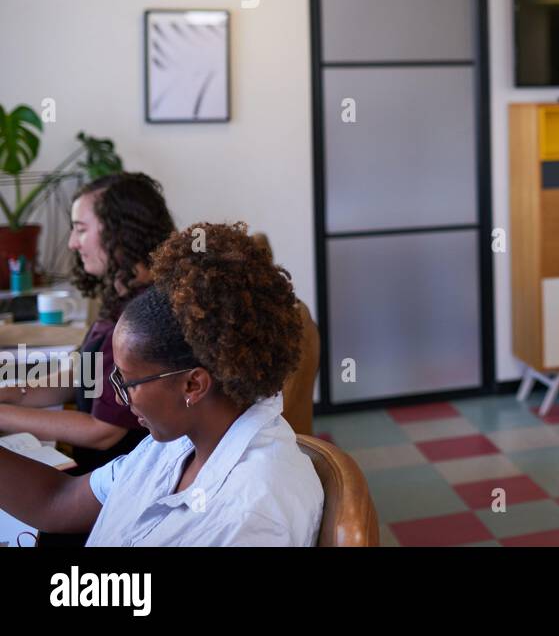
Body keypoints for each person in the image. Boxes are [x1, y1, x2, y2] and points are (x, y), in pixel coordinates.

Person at [0, 222, 323, 546]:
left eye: (128, 382)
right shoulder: (182, 443)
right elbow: (58, 500)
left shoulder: (249, 517)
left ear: (193, 385)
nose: (118, 394)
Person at [0, 172, 173, 470]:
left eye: (81, 230)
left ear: (121, 233)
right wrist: (13, 393)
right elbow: (87, 374)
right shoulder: (123, 292)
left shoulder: (146, 317)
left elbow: (102, 431)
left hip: (118, 477)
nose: (71, 243)